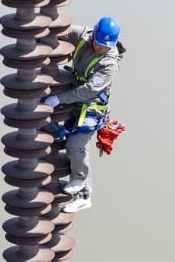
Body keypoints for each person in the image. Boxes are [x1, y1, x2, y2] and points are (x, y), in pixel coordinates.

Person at [43, 16, 124, 213]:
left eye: (106, 46)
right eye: (99, 44)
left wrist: (60, 99)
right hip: (71, 94)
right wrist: (41, 34)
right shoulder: (84, 35)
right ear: (93, 35)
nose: (101, 48)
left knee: (76, 145)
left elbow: (89, 90)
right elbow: (63, 29)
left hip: (90, 105)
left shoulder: (109, 64)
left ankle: (83, 192)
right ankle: (79, 187)